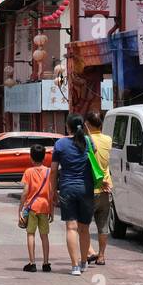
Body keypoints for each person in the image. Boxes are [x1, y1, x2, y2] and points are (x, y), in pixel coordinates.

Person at [48, 113, 94, 275]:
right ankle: (83, 263)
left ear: (67, 127)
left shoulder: (60, 144)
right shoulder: (88, 142)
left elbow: (53, 170)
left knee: (71, 227)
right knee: (84, 228)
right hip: (86, 189)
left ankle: (74, 266)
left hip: (67, 188)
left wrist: (53, 191)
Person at [84, 110, 112, 266]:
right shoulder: (108, 140)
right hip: (106, 188)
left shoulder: (85, 141)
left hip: (90, 189)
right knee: (103, 225)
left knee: (84, 225)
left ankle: (90, 251)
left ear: (87, 124)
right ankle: (101, 256)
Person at [19, 144, 52, 273]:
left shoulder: (28, 172)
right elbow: (51, 192)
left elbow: (25, 191)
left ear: (31, 158)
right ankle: (46, 263)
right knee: (44, 236)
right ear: (44, 158)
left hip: (31, 207)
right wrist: (52, 210)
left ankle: (32, 263)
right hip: (44, 207)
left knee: (30, 234)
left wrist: (21, 208)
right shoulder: (49, 171)